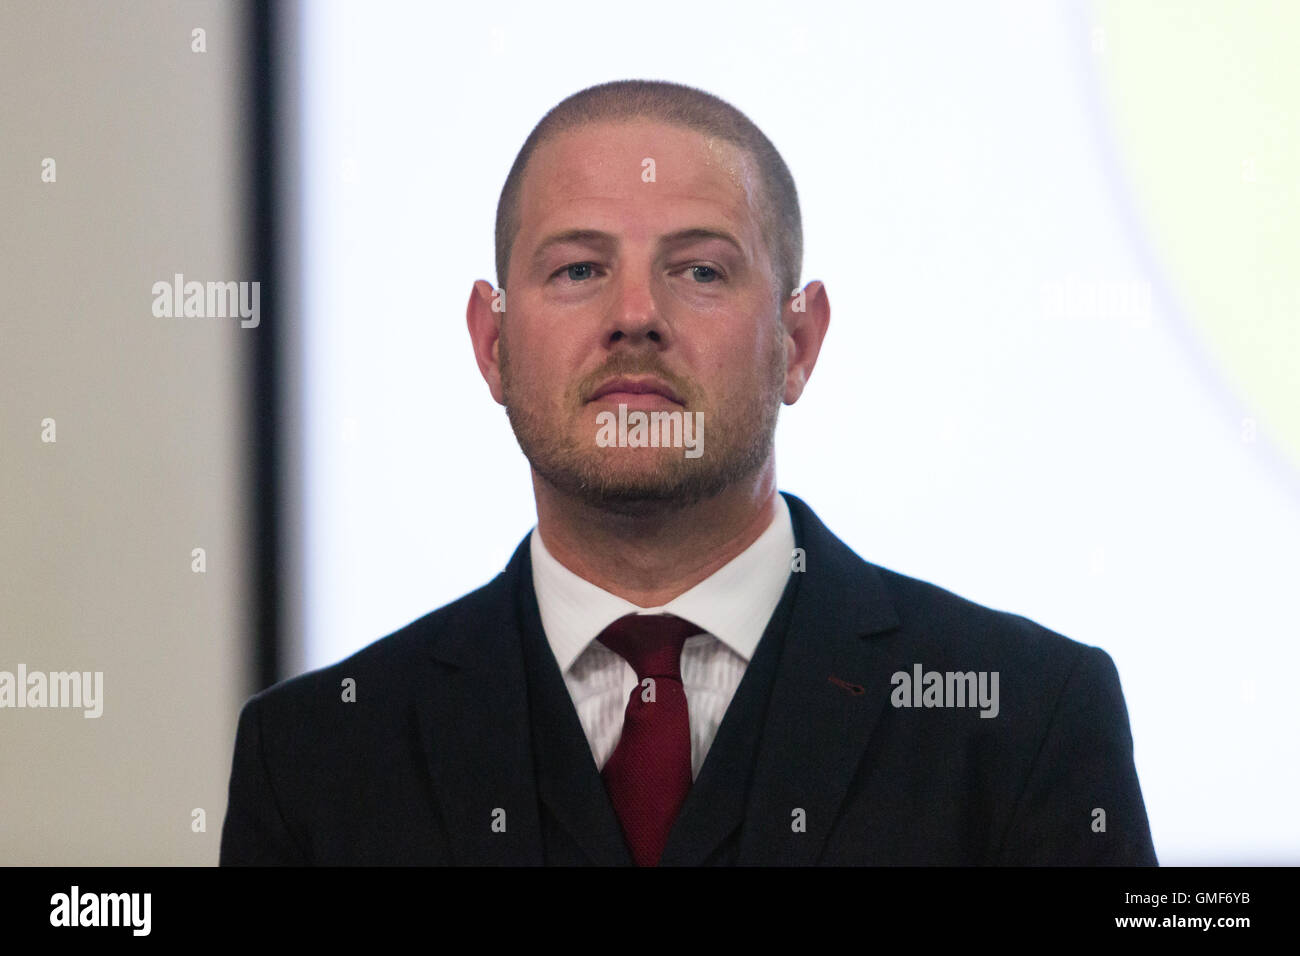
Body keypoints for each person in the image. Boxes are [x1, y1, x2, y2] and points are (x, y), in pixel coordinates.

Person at [220, 79, 1157, 866]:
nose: (636, 315)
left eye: (702, 272)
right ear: (493, 343)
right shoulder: (315, 756)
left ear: (797, 341)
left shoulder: (1026, 721)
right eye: (580, 270)